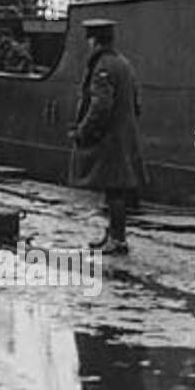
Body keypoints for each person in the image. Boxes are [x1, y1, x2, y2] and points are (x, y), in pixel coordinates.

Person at [68, 19, 148, 256]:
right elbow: (136, 100)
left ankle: (118, 239)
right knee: (115, 188)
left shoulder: (102, 66)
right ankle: (113, 234)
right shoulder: (123, 63)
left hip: (110, 136)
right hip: (123, 133)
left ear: (94, 41)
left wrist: (84, 131)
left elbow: (100, 105)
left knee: (114, 189)